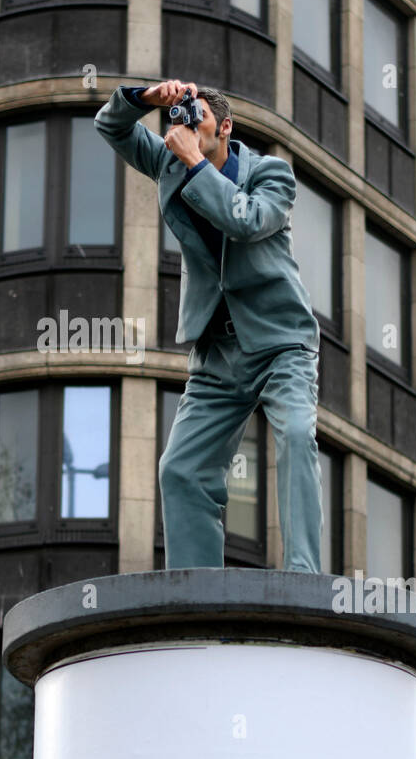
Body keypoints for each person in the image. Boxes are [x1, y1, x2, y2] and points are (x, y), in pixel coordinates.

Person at [94, 78, 323, 572]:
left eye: (196, 123)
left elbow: (245, 221)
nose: (185, 133)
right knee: (179, 469)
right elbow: (110, 127)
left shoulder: (272, 175)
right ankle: (197, 591)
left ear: (224, 127)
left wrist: (196, 164)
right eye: (182, 123)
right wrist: (146, 100)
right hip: (217, 352)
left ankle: (305, 576)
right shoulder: (169, 164)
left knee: (298, 434)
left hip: (279, 343)